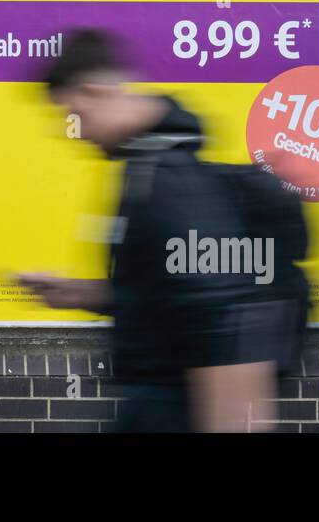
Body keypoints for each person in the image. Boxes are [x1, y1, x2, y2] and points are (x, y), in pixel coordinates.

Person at [17, 29, 294, 432]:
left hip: (175, 408)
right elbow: (168, 289)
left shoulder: (166, 178)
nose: (75, 131)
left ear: (95, 91)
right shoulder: (144, 167)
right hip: (154, 404)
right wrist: (81, 293)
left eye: (72, 115)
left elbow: (216, 315)